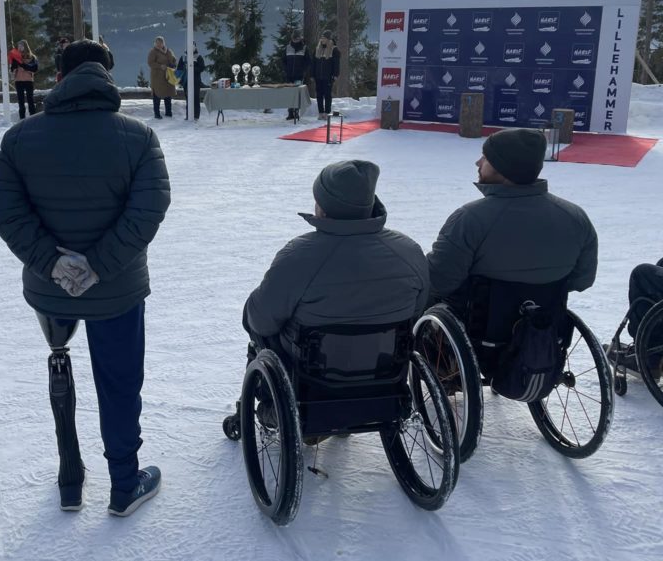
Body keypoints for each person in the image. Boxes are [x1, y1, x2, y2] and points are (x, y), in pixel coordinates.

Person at [0, 39, 171, 516]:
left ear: (61, 77)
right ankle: (124, 484)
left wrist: (51, 262)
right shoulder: (138, 137)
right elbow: (149, 209)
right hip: (117, 288)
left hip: (50, 289)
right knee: (119, 382)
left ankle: (70, 478)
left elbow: (6, 211)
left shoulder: (21, 137)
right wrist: (100, 265)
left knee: (59, 366)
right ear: (107, 76)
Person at [241, 160, 429, 442]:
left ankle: (273, 404)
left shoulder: (300, 255)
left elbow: (261, 318)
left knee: (255, 318)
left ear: (323, 206)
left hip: (314, 382)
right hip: (384, 374)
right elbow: (418, 311)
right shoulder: (409, 251)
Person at [428, 128, 598, 313]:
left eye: (485, 157)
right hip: (544, 325)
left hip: (477, 324)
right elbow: (583, 280)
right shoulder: (575, 217)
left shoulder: (470, 219)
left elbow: (438, 281)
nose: (478, 163)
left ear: (503, 168)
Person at [312, 30, 341, 119]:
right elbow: (313, 63)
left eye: (324, 38)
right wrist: (312, 74)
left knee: (327, 95)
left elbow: (336, 64)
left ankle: (327, 112)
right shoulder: (317, 49)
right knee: (319, 95)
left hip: (328, 76)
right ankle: (320, 112)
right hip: (318, 76)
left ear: (328, 39)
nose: (322, 39)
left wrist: (335, 75)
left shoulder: (334, 49)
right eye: (321, 38)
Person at [283, 30, 311, 120]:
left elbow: (308, 61)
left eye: (297, 38)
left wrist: (304, 71)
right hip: (289, 75)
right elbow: (283, 60)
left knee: (297, 94)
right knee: (289, 94)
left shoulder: (304, 48)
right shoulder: (287, 47)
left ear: (300, 38)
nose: (295, 40)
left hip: (299, 75)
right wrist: (285, 69)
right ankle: (290, 112)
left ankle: (296, 112)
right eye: (294, 38)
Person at [147, 36, 177, 119]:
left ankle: (168, 112)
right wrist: (160, 66)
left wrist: (173, 64)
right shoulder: (153, 52)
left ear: (163, 43)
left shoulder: (168, 51)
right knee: (157, 94)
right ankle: (157, 113)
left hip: (168, 76)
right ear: (155, 43)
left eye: (161, 43)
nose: (159, 44)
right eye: (158, 43)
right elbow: (150, 63)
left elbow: (174, 60)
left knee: (168, 94)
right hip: (157, 77)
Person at [8, 39, 39, 119]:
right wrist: (14, 65)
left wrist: (22, 64)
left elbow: (34, 68)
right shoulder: (15, 57)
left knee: (30, 100)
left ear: (25, 46)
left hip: (28, 80)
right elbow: (12, 69)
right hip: (19, 81)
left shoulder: (32, 57)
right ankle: (22, 118)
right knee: (20, 101)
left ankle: (33, 117)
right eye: (18, 46)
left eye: (21, 46)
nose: (20, 47)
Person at [176, 45, 205, 121]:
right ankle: (188, 115)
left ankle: (196, 116)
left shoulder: (198, 57)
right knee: (188, 98)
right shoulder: (183, 57)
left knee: (196, 98)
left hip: (196, 81)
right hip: (186, 81)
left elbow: (202, 68)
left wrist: (192, 68)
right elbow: (179, 68)